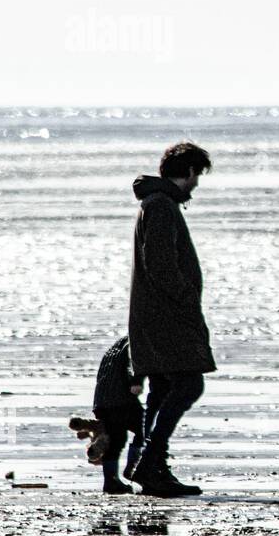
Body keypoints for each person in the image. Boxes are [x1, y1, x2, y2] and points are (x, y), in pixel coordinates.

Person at [126, 142, 215, 497]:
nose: (197, 184)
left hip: (154, 315)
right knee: (189, 384)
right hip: (166, 316)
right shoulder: (161, 206)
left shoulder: (155, 203)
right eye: (198, 176)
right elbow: (160, 265)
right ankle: (150, 462)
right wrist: (186, 297)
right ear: (190, 171)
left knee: (162, 390)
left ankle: (150, 468)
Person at [90, 336, 145, 494]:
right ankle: (132, 469)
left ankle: (111, 480)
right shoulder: (136, 342)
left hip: (102, 399)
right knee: (145, 430)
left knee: (116, 440)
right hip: (120, 399)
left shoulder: (117, 346)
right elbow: (134, 364)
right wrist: (136, 381)